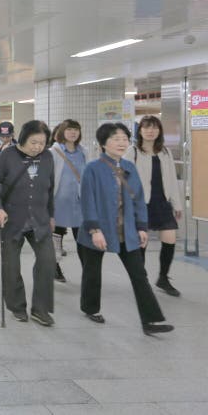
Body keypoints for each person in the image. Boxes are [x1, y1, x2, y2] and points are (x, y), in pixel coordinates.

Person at [78, 122, 173, 334]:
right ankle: (90, 308)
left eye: (124, 139)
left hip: (126, 230)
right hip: (98, 230)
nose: (122, 143)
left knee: (139, 274)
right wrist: (94, 230)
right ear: (103, 143)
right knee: (92, 272)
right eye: (116, 139)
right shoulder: (92, 168)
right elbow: (87, 201)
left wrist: (141, 227)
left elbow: (138, 199)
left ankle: (151, 320)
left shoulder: (129, 167)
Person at [0, 120, 56, 326]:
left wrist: (51, 215)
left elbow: (50, 188)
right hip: (12, 219)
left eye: (42, 143)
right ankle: (17, 306)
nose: (38, 147)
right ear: (23, 139)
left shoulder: (48, 157)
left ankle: (40, 309)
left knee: (47, 262)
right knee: (11, 266)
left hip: (39, 220)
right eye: (34, 142)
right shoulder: (8, 155)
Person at [126, 115, 184, 297]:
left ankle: (163, 278)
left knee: (170, 239)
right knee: (141, 243)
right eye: (147, 127)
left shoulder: (165, 152)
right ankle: (141, 281)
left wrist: (177, 204)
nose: (150, 131)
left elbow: (172, 179)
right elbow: (124, 179)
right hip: (141, 203)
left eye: (154, 128)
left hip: (162, 202)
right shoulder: (132, 151)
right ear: (140, 131)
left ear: (159, 131)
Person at [50, 119, 88, 282]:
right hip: (59, 202)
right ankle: (54, 268)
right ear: (62, 132)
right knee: (56, 238)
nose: (73, 133)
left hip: (79, 202)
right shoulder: (54, 151)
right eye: (69, 129)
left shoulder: (84, 151)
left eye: (76, 130)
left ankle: (88, 270)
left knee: (83, 239)